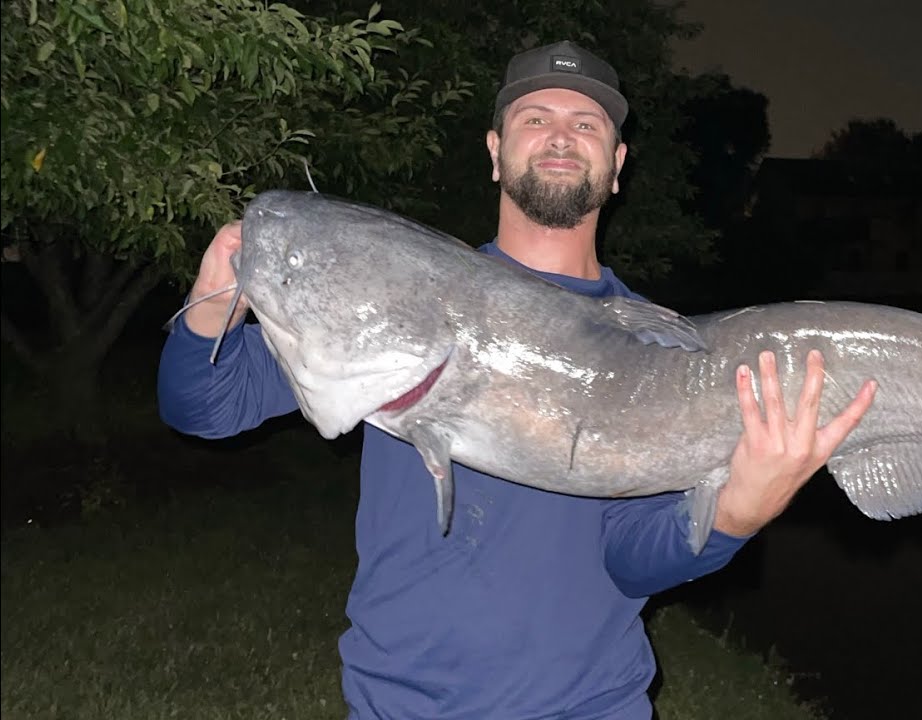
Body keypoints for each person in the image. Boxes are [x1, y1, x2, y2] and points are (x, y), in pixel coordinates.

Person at [157, 40, 876, 720]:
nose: (560, 136)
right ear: (496, 154)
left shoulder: (658, 351)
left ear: (617, 164)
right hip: (400, 703)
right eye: (535, 119)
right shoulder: (395, 299)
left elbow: (628, 563)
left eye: (585, 123)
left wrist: (734, 515)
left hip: (588, 707)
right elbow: (206, 407)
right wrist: (211, 302)